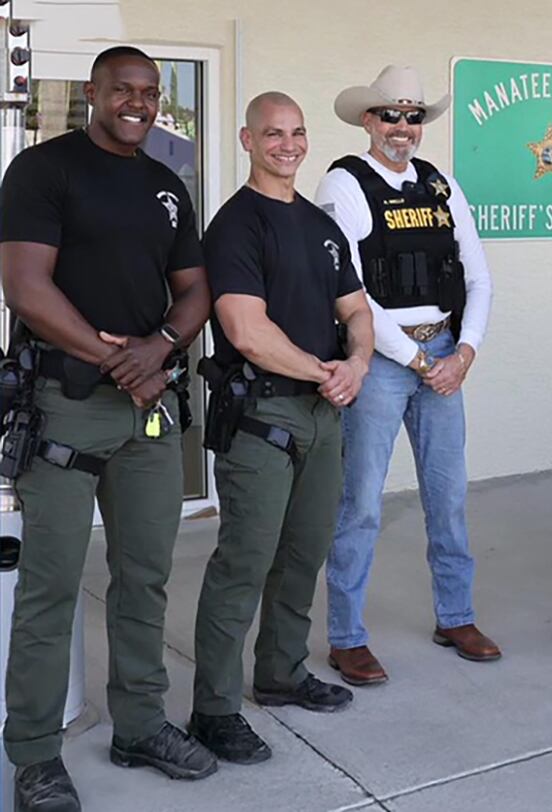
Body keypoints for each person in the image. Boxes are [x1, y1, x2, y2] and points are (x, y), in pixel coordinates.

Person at [0, 46, 216, 811]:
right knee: (51, 586)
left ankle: (140, 725)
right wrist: (119, 360)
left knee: (144, 577)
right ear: (92, 92)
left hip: (148, 411)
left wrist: (164, 346)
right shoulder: (43, 171)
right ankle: (33, 755)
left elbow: (195, 287)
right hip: (67, 405)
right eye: (123, 89)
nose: (138, 103)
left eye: (150, 92)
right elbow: (25, 288)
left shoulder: (166, 185)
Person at [188, 92, 373, 764]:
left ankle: (282, 672)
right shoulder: (236, 225)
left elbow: (357, 309)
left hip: (324, 414)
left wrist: (357, 362)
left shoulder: (322, 227)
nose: (288, 145)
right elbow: (246, 330)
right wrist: (327, 371)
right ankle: (213, 711)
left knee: (304, 552)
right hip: (263, 416)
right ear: (247, 140)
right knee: (244, 562)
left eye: (296, 133)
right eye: (273, 133)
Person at [315, 65, 499, 688]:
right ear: (368, 120)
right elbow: (350, 291)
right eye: (390, 114)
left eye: (413, 116)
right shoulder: (345, 183)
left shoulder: (441, 185)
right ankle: (346, 637)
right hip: (382, 362)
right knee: (361, 504)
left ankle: (457, 617)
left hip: (444, 354)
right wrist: (420, 362)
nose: (402, 126)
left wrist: (464, 353)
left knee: (449, 499)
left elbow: (478, 277)